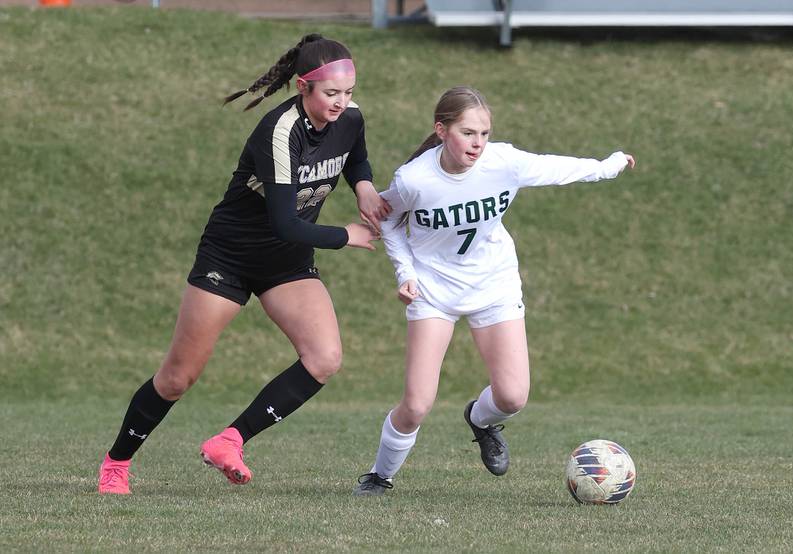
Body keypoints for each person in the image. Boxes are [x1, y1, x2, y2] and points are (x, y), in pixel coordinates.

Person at [98, 34, 391, 494]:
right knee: (177, 378)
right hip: (230, 256)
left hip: (286, 263)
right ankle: (116, 464)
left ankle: (229, 441)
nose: (342, 102)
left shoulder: (349, 117)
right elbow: (285, 223)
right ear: (303, 87)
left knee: (324, 358)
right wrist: (345, 236)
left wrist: (365, 187)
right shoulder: (280, 131)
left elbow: (355, 157)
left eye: (349, 92)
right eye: (331, 93)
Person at [353, 86, 635, 495]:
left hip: (493, 283)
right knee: (416, 405)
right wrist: (405, 273)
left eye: (484, 133)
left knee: (513, 396)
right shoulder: (414, 179)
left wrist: (608, 166)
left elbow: (555, 167)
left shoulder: (503, 162)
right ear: (441, 130)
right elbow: (388, 220)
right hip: (435, 290)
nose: (478, 143)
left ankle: (479, 420)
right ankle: (380, 477)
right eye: (468, 133)